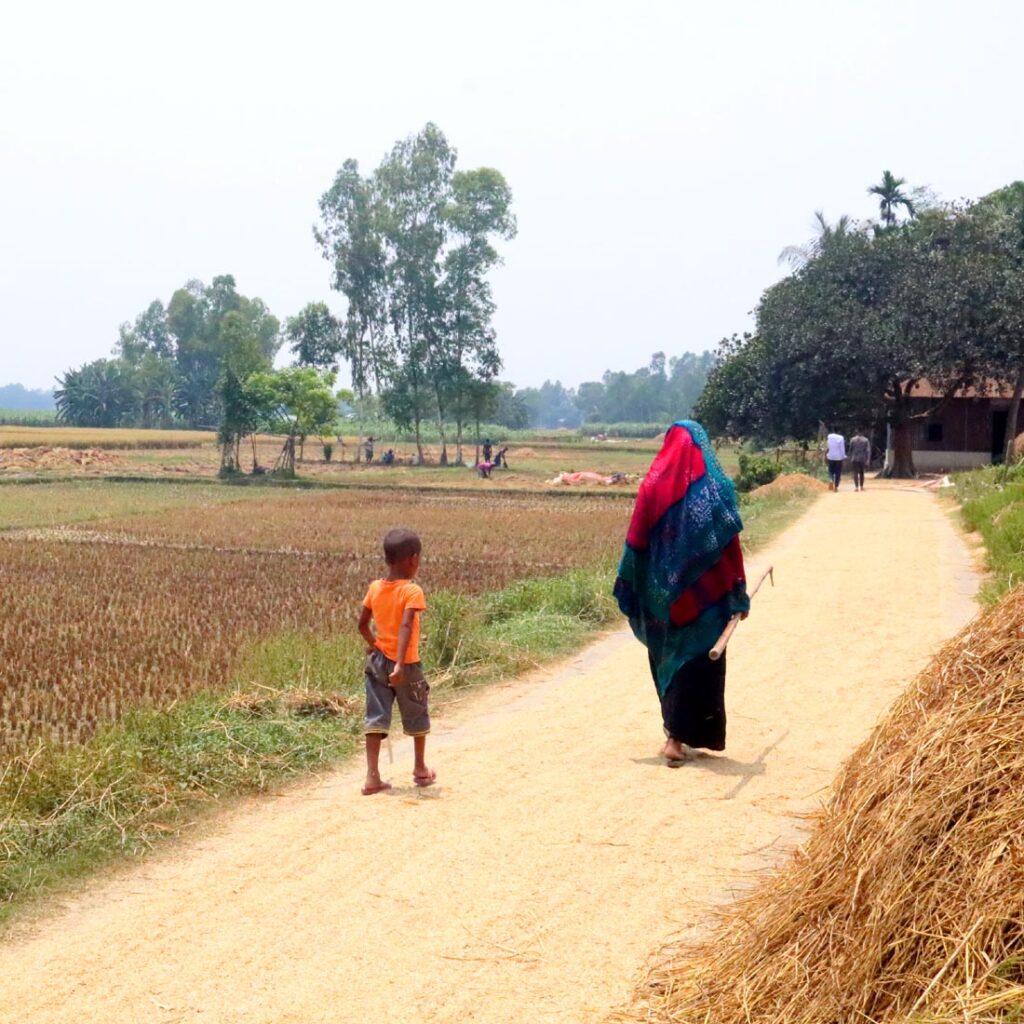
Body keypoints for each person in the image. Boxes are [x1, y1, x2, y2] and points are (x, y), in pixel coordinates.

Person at [613, 421, 750, 764]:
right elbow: (731, 548)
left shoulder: (653, 486)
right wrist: (738, 592)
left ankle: (674, 736)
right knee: (700, 665)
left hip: (665, 603)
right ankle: (687, 734)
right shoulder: (718, 488)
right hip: (710, 600)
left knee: (672, 660)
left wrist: (638, 584)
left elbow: (638, 543)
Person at [357, 528, 435, 795]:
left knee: (376, 716)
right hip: (407, 664)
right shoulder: (412, 591)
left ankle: (372, 777)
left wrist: (375, 645)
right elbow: (406, 625)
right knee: (416, 710)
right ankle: (420, 768)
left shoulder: (375, 588)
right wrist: (400, 664)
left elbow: (362, 624)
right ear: (413, 559)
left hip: (378, 662)